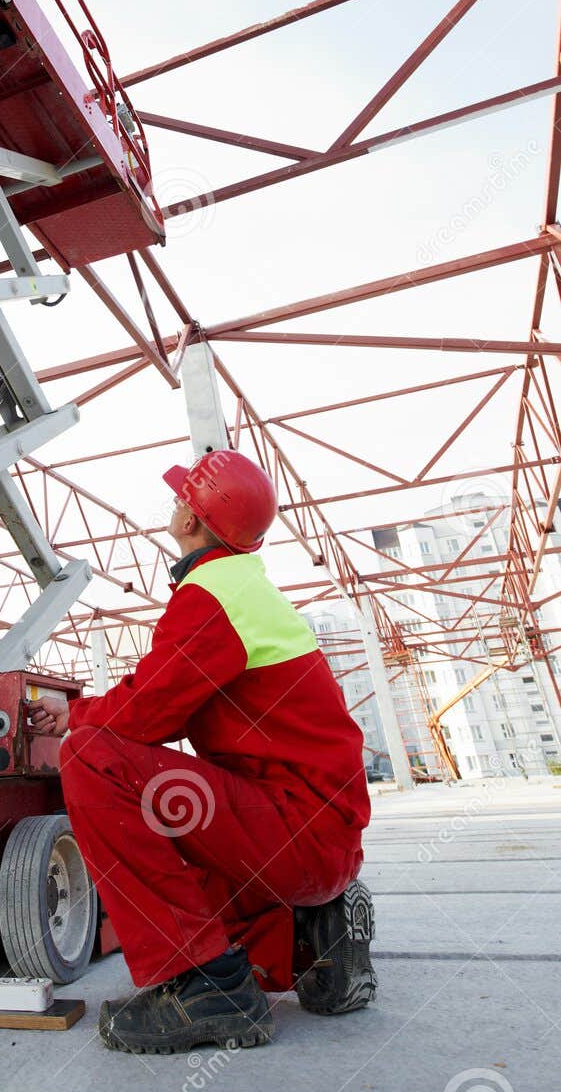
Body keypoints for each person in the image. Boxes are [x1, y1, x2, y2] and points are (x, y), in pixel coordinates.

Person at [28, 449, 375, 1056]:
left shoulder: (210, 595)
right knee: (195, 885)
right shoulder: (244, 587)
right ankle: (313, 936)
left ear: (192, 517)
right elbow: (161, 699)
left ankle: (205, 987)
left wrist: (72, 722)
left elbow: (142, 717)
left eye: (182, 497)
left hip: (295, 833)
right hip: (316, 833)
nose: (175, 503)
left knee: (87, 757)